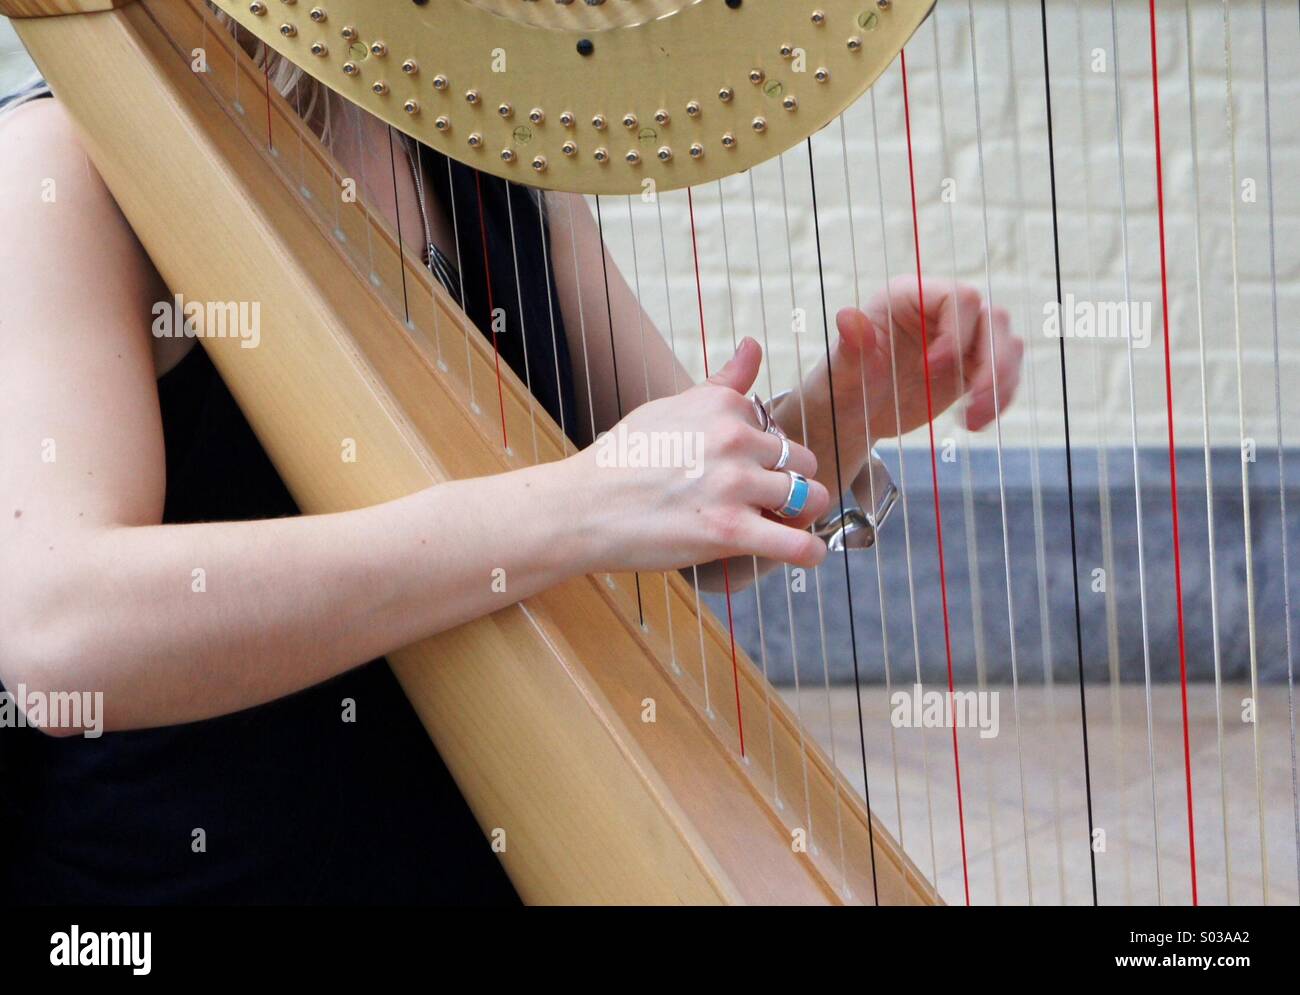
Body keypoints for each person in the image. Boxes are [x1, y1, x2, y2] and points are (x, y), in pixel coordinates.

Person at [0, 45, 1023, 903]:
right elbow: (60, 638)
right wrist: (575, 507)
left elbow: (683, 516)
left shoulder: (479, 155)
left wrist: (848, 406)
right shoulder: (65, 159)